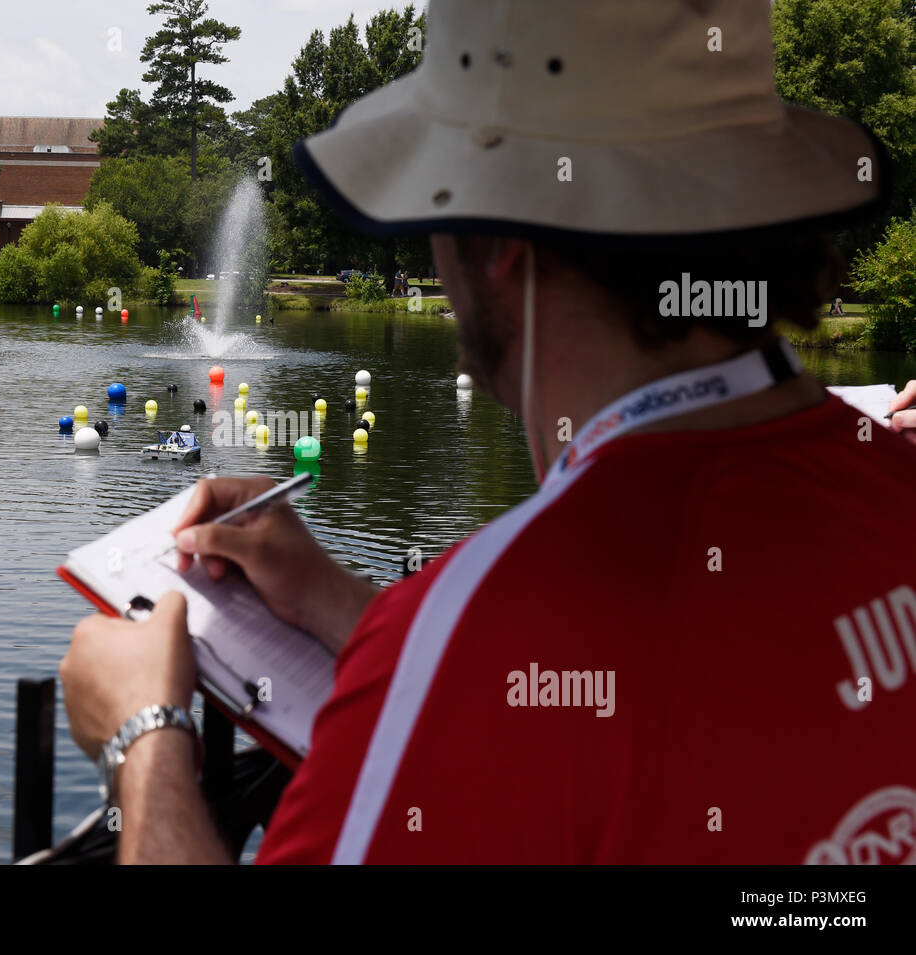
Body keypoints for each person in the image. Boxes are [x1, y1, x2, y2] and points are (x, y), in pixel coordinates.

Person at [60, 0, 916, 864]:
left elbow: (541, 675)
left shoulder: (474, 633)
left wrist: (147, 735)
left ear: (497, 238)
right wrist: (334, 598)